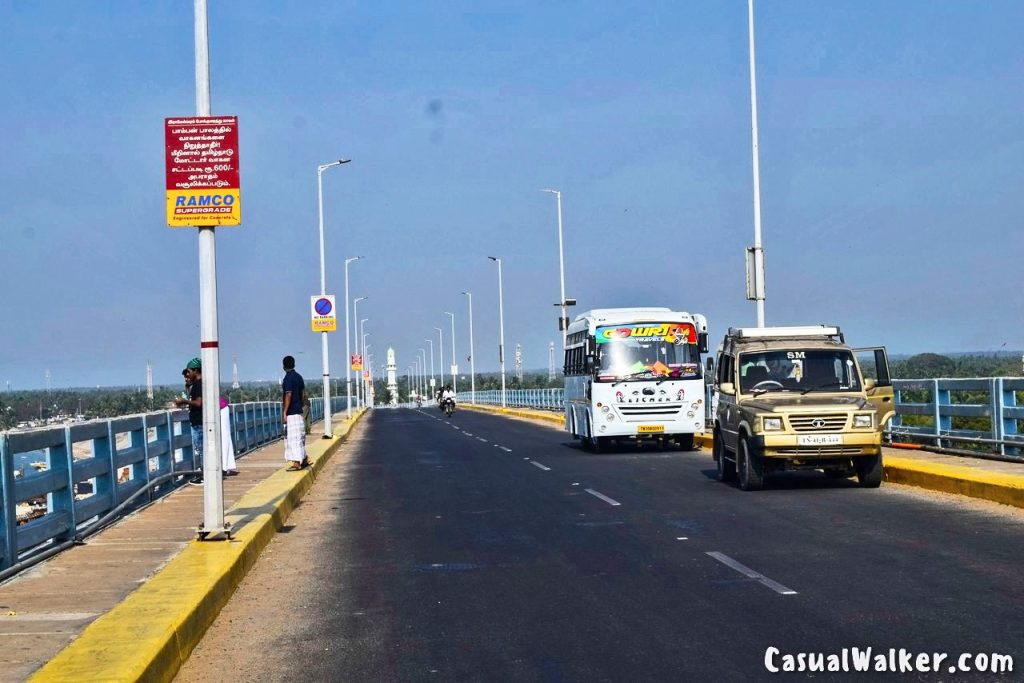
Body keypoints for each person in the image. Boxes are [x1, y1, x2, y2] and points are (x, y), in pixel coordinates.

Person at [174, 357, 204, 485]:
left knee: (202, 450)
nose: (187, 374)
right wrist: (187, 389)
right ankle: (205, 474)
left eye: (188, 371)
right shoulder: (196, 384)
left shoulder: (199, 384)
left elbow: (198, 403)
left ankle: (204, 476)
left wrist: (184, 401)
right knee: (202, 450)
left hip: (199, 423)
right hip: (198, 422)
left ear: (196, 370)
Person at [281, 355, 308, 471]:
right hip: (299, 411)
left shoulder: (288, 379)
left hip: (292, 412)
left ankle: (297, 463)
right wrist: (300, 405)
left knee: (292, 438)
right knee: (300, 437)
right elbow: (302, 394)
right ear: (294, 364)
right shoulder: (299, 377)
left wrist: (285, 412)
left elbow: (288, 394)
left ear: (283, 366)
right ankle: (305, 459)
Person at [219, 396, 238, 476]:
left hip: (221, 408)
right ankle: (227, 466)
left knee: (224, 438)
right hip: (222, 407)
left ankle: (224, 467)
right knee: (225, 438)